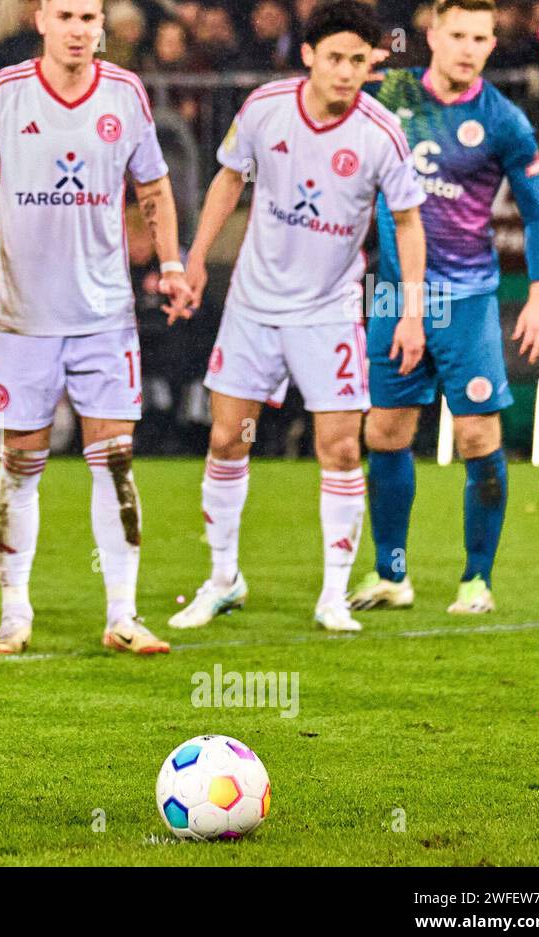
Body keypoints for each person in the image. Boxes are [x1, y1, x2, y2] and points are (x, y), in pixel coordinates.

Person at [0, 0, 193, 655]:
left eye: (89, 17)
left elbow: (154, 188)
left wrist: (170, 264)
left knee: (116, 463)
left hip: (104, 315)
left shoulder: (126, 94)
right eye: (67, 16)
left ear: (100, 25)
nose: (79, 29)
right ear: (42, 20)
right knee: (21, 465)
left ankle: (123, 615)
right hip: (22, 316)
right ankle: (14, 614)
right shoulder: (5, 94)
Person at [168, 0, 428, 634]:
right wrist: (195, 257)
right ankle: (223, 579)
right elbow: (229, 179)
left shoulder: (381, 133)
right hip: (253, 306)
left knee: (338, 447)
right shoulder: (265, 108)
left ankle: (333, 595)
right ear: (308, 55)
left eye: (358, 60)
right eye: (335, 57)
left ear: (371, 63)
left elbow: (408, 221)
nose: (346, 71)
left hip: (328, 312)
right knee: (227, 439)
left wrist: (413, 312)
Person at [349, 0, 539, 615]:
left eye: (481, 38)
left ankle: (477, 580)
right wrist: (354, 65)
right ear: (432, 35)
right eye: (458, 34)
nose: (469, 48)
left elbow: (538, 213)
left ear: (492, 44)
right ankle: (391, 574)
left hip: (466, 299)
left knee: (476, 434)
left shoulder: (505, 121)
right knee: (385, 430)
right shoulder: (391, 94)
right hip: (395, 295)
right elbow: (329, 102)